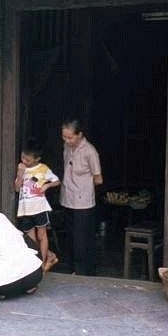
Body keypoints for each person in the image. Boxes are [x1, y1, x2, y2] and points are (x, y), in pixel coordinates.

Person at [59, 118, 103, 276]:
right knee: (70, 238)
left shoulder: (90, 151)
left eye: (70, 137)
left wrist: (83, 186)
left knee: (82, 240)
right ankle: (71, 269)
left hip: (83, 201)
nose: (66, 140)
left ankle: (84, 272)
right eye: (64, 137)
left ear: (80, 135)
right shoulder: (67, 147)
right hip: (67, 198)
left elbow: (98, 179)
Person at [14, 139, 60, 271]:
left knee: (41, 236)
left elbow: (57, 181)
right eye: (23, 157)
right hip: (25, 209)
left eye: (28, 160)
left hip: (39, 207)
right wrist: (20, 174)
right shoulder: (21, 168)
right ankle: (37, 263)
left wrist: (47, 185)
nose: (24, 161)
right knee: (31, 239)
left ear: (37, 159)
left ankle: (42, 264)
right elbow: (17, 188)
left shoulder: (43, 169)